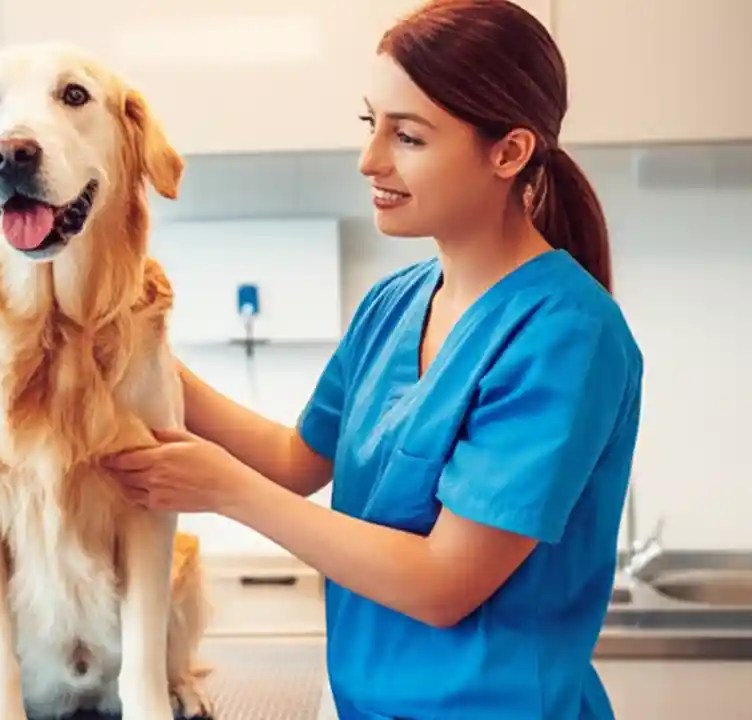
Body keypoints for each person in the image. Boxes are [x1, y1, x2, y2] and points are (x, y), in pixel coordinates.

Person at [103, 1, 643, 717]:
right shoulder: (395, 303)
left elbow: (443, 583)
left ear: (508, 153)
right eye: (372, 124)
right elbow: (298, 459)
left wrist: (226, 491)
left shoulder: (565, 335)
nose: (370, 159)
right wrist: (136, 361)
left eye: (408, 136)